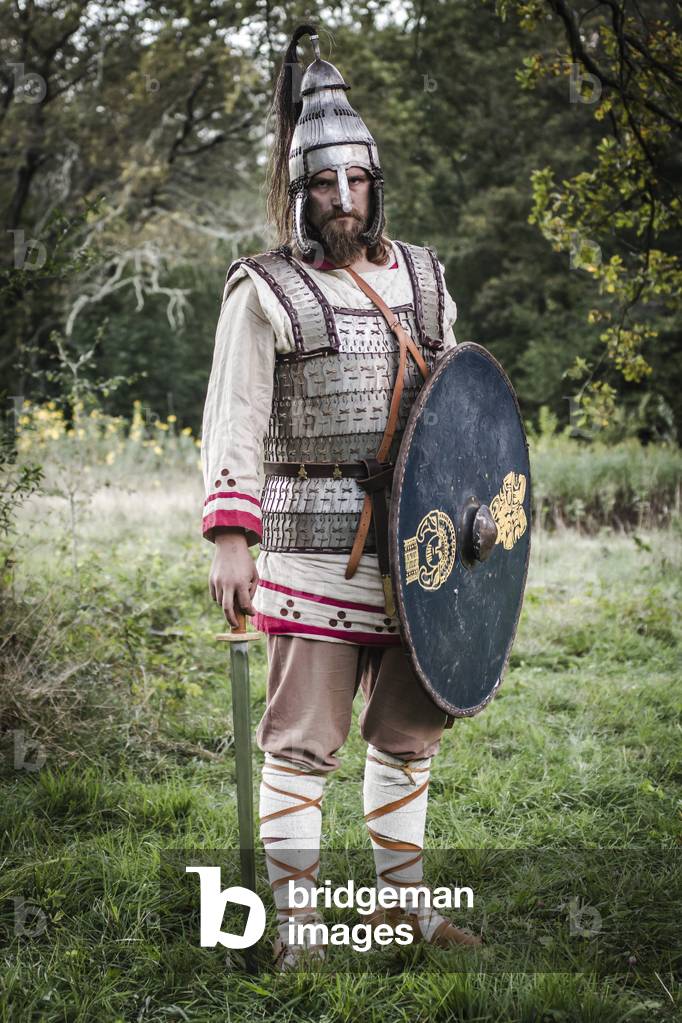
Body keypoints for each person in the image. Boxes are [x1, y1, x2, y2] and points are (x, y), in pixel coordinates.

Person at [201, 25, 482, 970]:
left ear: (376, 180)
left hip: (420, 554)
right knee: (302, 747)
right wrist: (229, 538)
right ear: (298, 190)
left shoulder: (429, 279)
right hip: (312, 544)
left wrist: (485, 521)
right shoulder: (266, 290)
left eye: (357, 180)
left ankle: (403, 908)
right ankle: (301, 926)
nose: (344, 199)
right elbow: (233, 417)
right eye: (325, 183)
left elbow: (464, 417)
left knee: (407, 741)